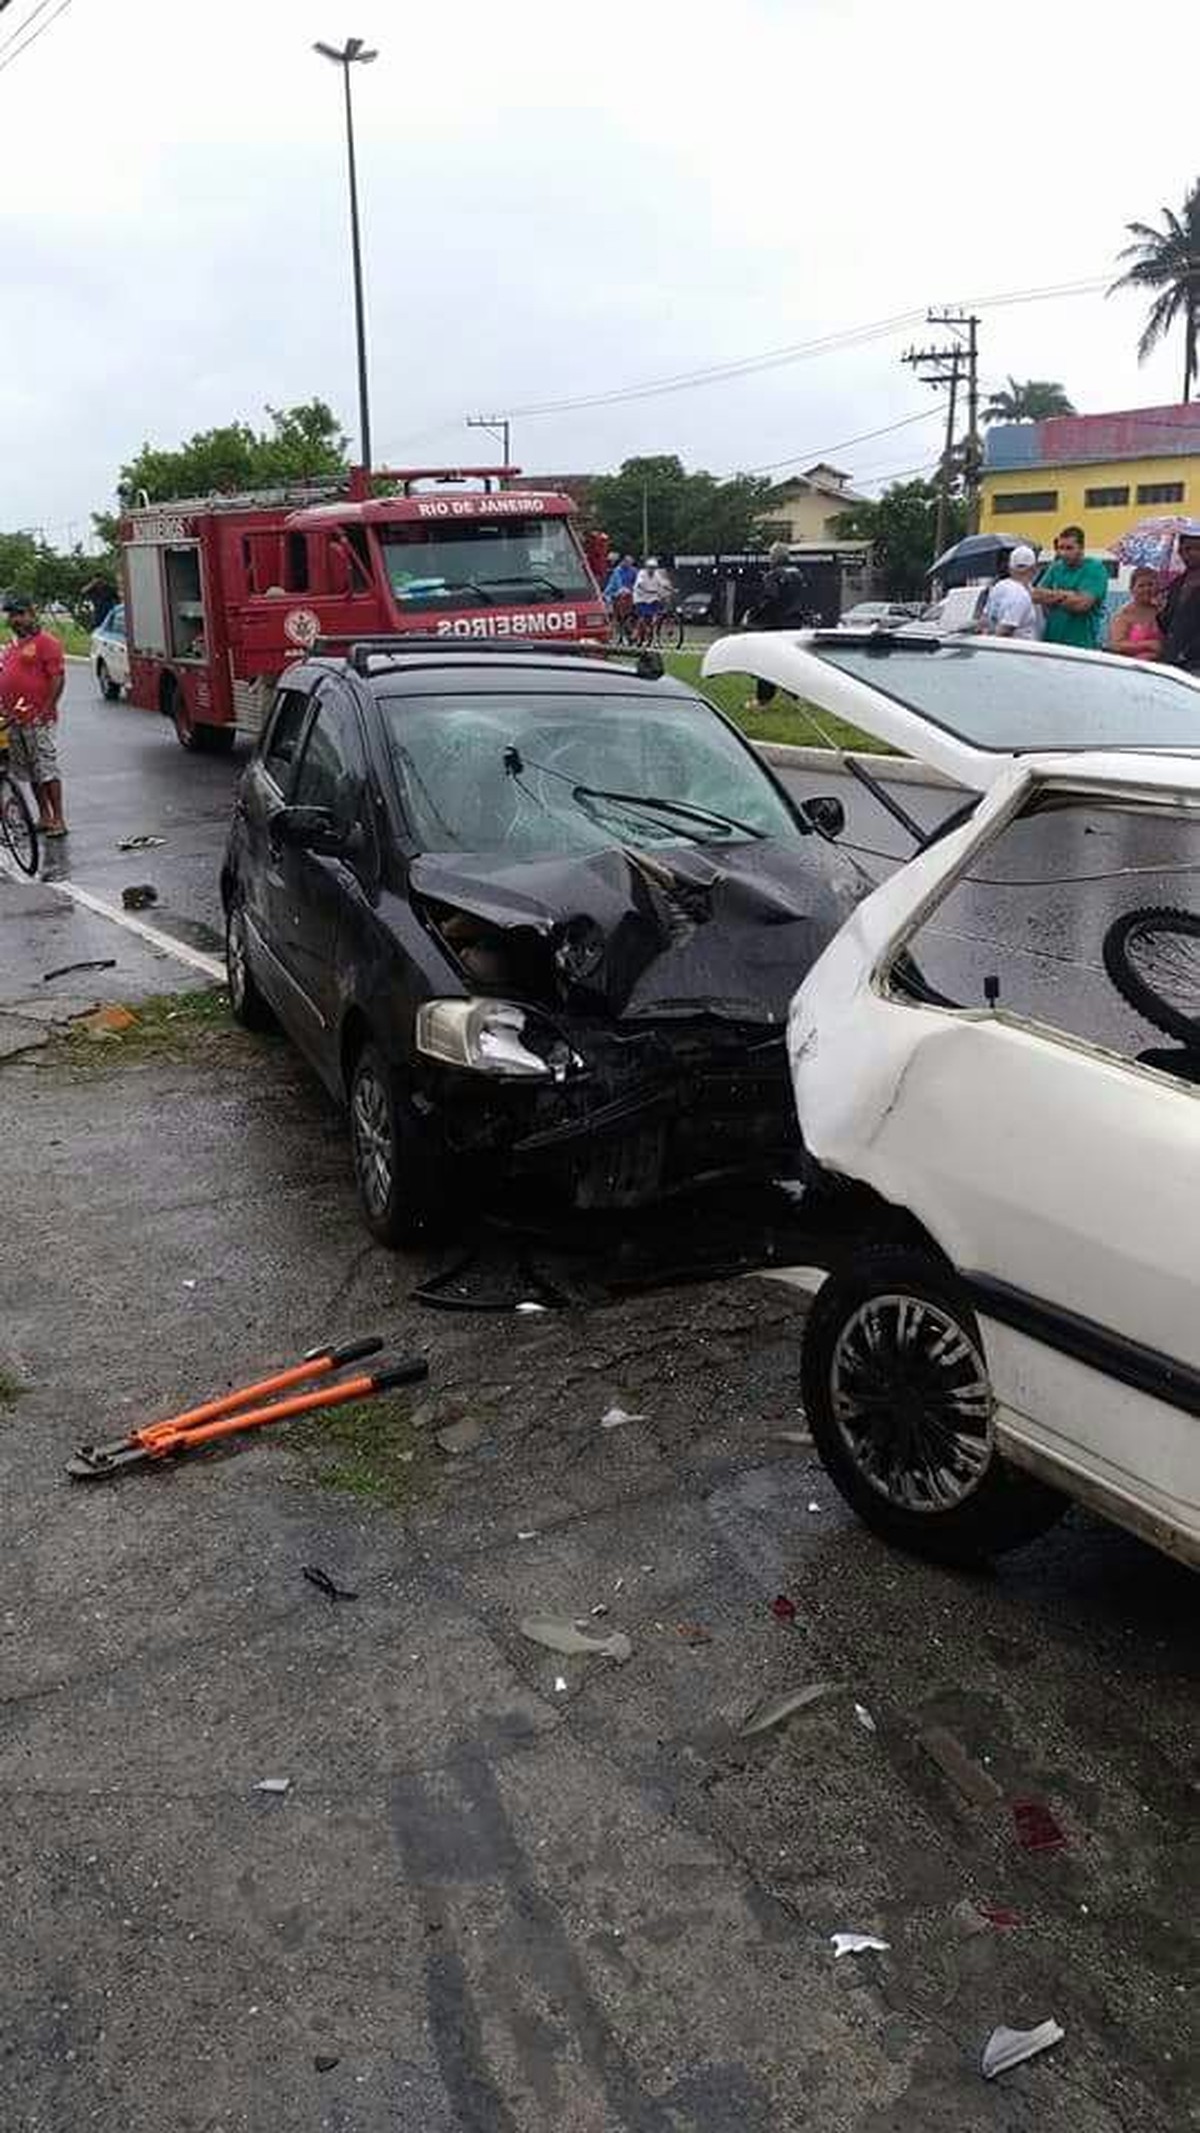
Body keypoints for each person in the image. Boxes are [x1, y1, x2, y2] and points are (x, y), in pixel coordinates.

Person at [0, 592, 67, 835]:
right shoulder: (14, 645)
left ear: (31, 613)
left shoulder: (46, 642)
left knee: (46, 770)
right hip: (16, 720)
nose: (15, 619)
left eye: (20, 614)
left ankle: (58, 819)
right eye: (11, 615)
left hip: (38, 719)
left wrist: (47, 709)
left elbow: (57, 678)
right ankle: (44, 817)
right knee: (30, 772)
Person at [741, 541, 810, 708]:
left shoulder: (772, 575)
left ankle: (762, 700)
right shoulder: (798, 574)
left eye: (769, 555)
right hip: (794, 623)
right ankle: (796, 697)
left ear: (774, 557)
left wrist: (752, 615)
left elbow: (769, 600)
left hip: (774, 624)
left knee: (766, 662)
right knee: (791, 661)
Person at [1031, 526, 1110, 649]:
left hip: (1082, 645)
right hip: (1052, 644)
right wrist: (1067, 595)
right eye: (1060, 548)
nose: (1063, 553)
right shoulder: (1056, 567)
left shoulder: (1095, 568)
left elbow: (1082, 604)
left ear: (1081, 548)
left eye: (1069, 548)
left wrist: (1051, 597)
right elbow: (1036, 595)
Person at [1158, 523, 1200, 672]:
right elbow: (1167, 625)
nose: (1192, 553)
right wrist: (1161, 610)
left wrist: (1188, 651)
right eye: (1187, 549)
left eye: (1197, 548)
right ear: (1180, 552)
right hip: (1172, 660)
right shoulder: (1176, 584)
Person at [980, 545, 1040, 639]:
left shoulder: (998, 586)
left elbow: (984, 620)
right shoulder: (1021, 595)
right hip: (1017, 650)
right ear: (1034, 569)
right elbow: (1005, 630)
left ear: (1010, 568)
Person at [1107, 567, 1164, 660]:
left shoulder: (1162, 611)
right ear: (1132, 589)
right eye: (1141, 586)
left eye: (1150, 584)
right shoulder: (1124, 614)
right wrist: (1148, 644)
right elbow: (1115, 645)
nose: (1147, 589)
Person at [632, 557, 672, 640]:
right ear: (647, 567)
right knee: (643, 615)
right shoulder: (642, 573)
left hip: (652, 597)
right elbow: (640, 583)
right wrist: (645, 589)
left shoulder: (656, 574)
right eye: (650, 568)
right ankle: (636, 631)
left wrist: (670, 589)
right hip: (641, 597)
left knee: (656, 613)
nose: (652, 570)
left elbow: (662, 583)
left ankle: (652, 629)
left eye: (653, 568)